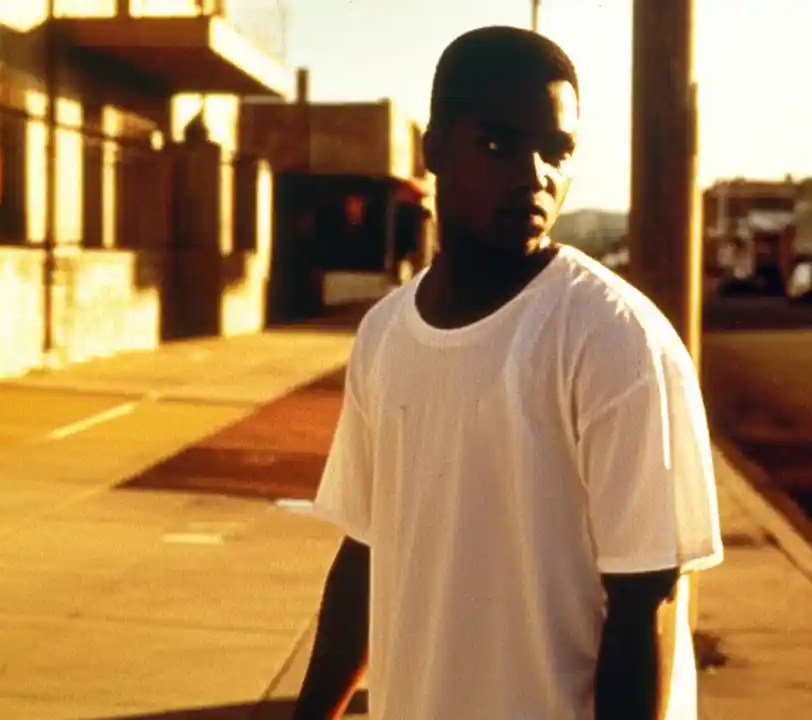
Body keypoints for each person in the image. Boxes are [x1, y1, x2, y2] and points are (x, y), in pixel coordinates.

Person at [295, 25, 723, 720]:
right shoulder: (384, 336)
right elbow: (364, 553)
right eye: (498, 144)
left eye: (556, 150)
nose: (535, 175)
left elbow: (647, 603)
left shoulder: (614, 339)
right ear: (434, 149)